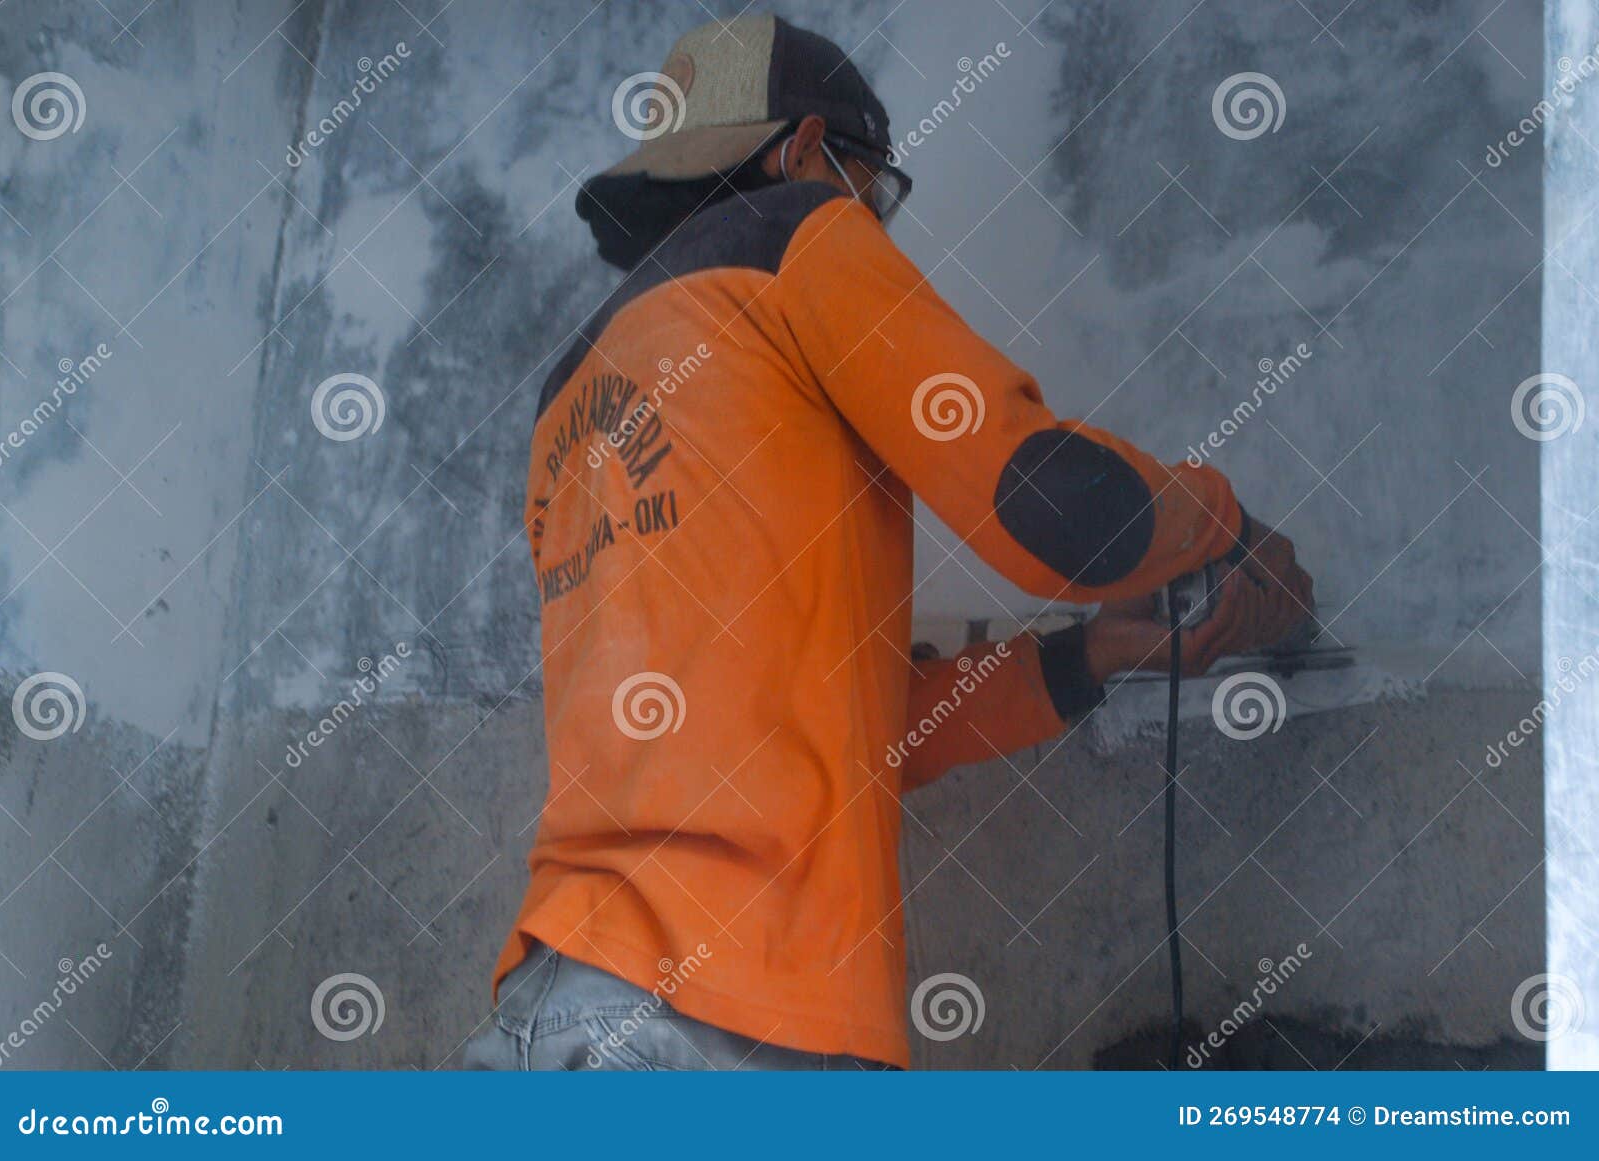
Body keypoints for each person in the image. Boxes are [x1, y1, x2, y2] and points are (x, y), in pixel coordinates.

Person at [465, 12, 1313, 1072]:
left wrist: (1085, 659)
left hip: (546, 1009)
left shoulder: (569, 400)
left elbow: (833, 735)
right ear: (808, 153)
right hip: (720, 1026)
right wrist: (1226, 525)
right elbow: (1047, 505)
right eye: (879, 187)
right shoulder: (797, 236)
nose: (877, 220)